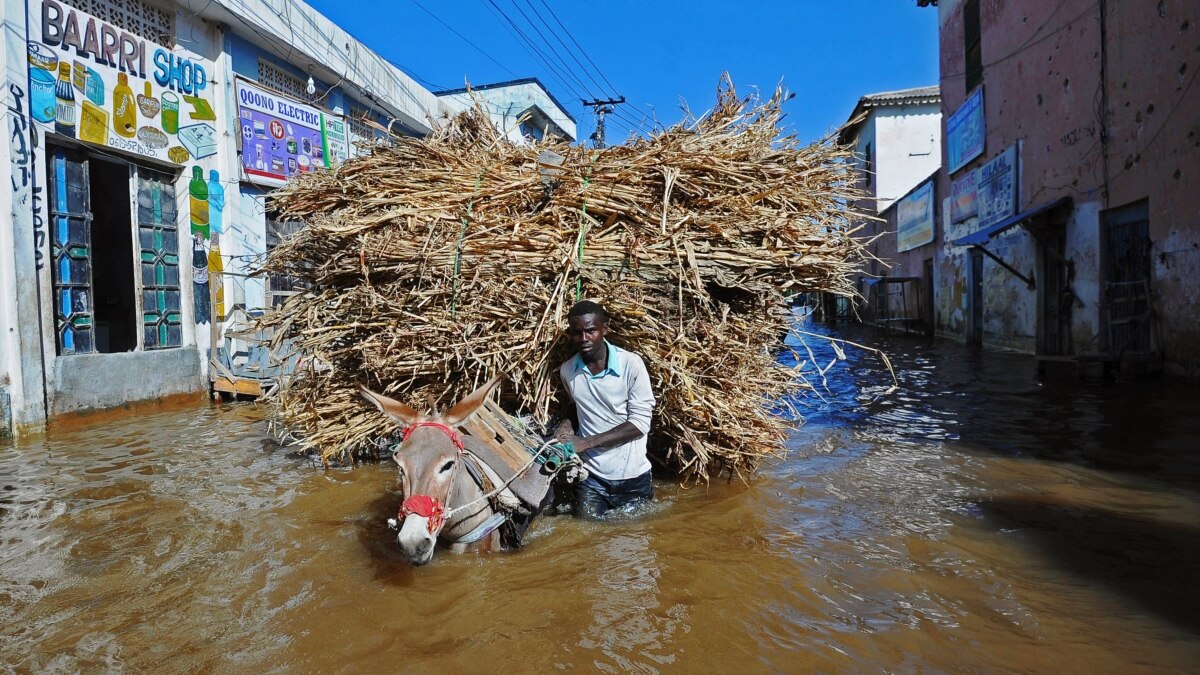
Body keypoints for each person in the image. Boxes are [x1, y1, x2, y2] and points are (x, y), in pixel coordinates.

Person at [553, 300, 656, 519]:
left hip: (633, 477)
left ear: (604, 329)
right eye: (577, 333)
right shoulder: (568, 370)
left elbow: (640, 424)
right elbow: (576, 405)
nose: (583, 339)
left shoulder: (631, 365)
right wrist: (566, 425)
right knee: (586, 532)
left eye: (590, 331)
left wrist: (586, 443)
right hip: (592, 477)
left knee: (635, 535)